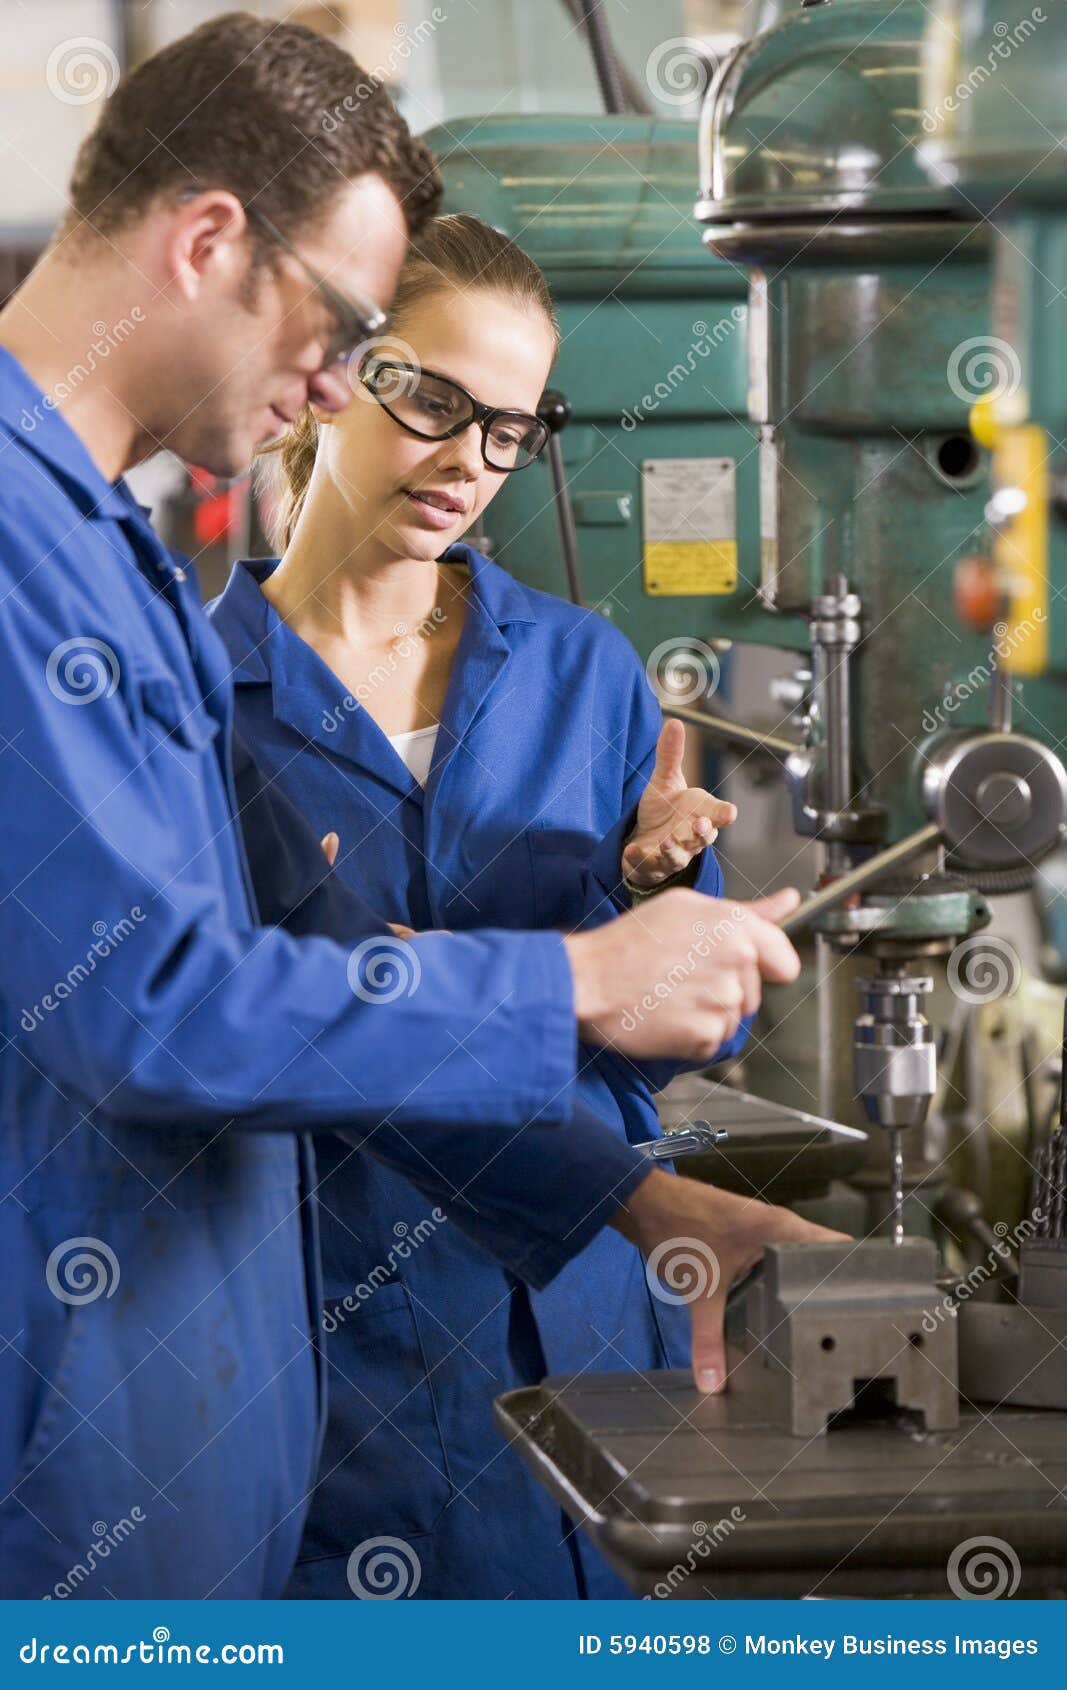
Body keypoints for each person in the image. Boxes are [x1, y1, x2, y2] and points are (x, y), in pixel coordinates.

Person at [0, 13, 838, 1600]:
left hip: (239, 1454)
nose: (334, 375)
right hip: (128, 1466)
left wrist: (643, 1190)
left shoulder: (111, 570)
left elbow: (319, 973)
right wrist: (574, 975)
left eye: (511, 430)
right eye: (351, 332)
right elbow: (157, 1009)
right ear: (208, 241)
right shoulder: (51, 567)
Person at [207, 213, 793, 1600]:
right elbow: (226, 1031)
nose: (470, 459)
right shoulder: (203, 700)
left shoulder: (582, 672)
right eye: (435, 401)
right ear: (335, 375)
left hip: (601, 1324)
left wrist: (663, 888)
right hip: (353, 1351)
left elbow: (702, 1034)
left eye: (510, 429)